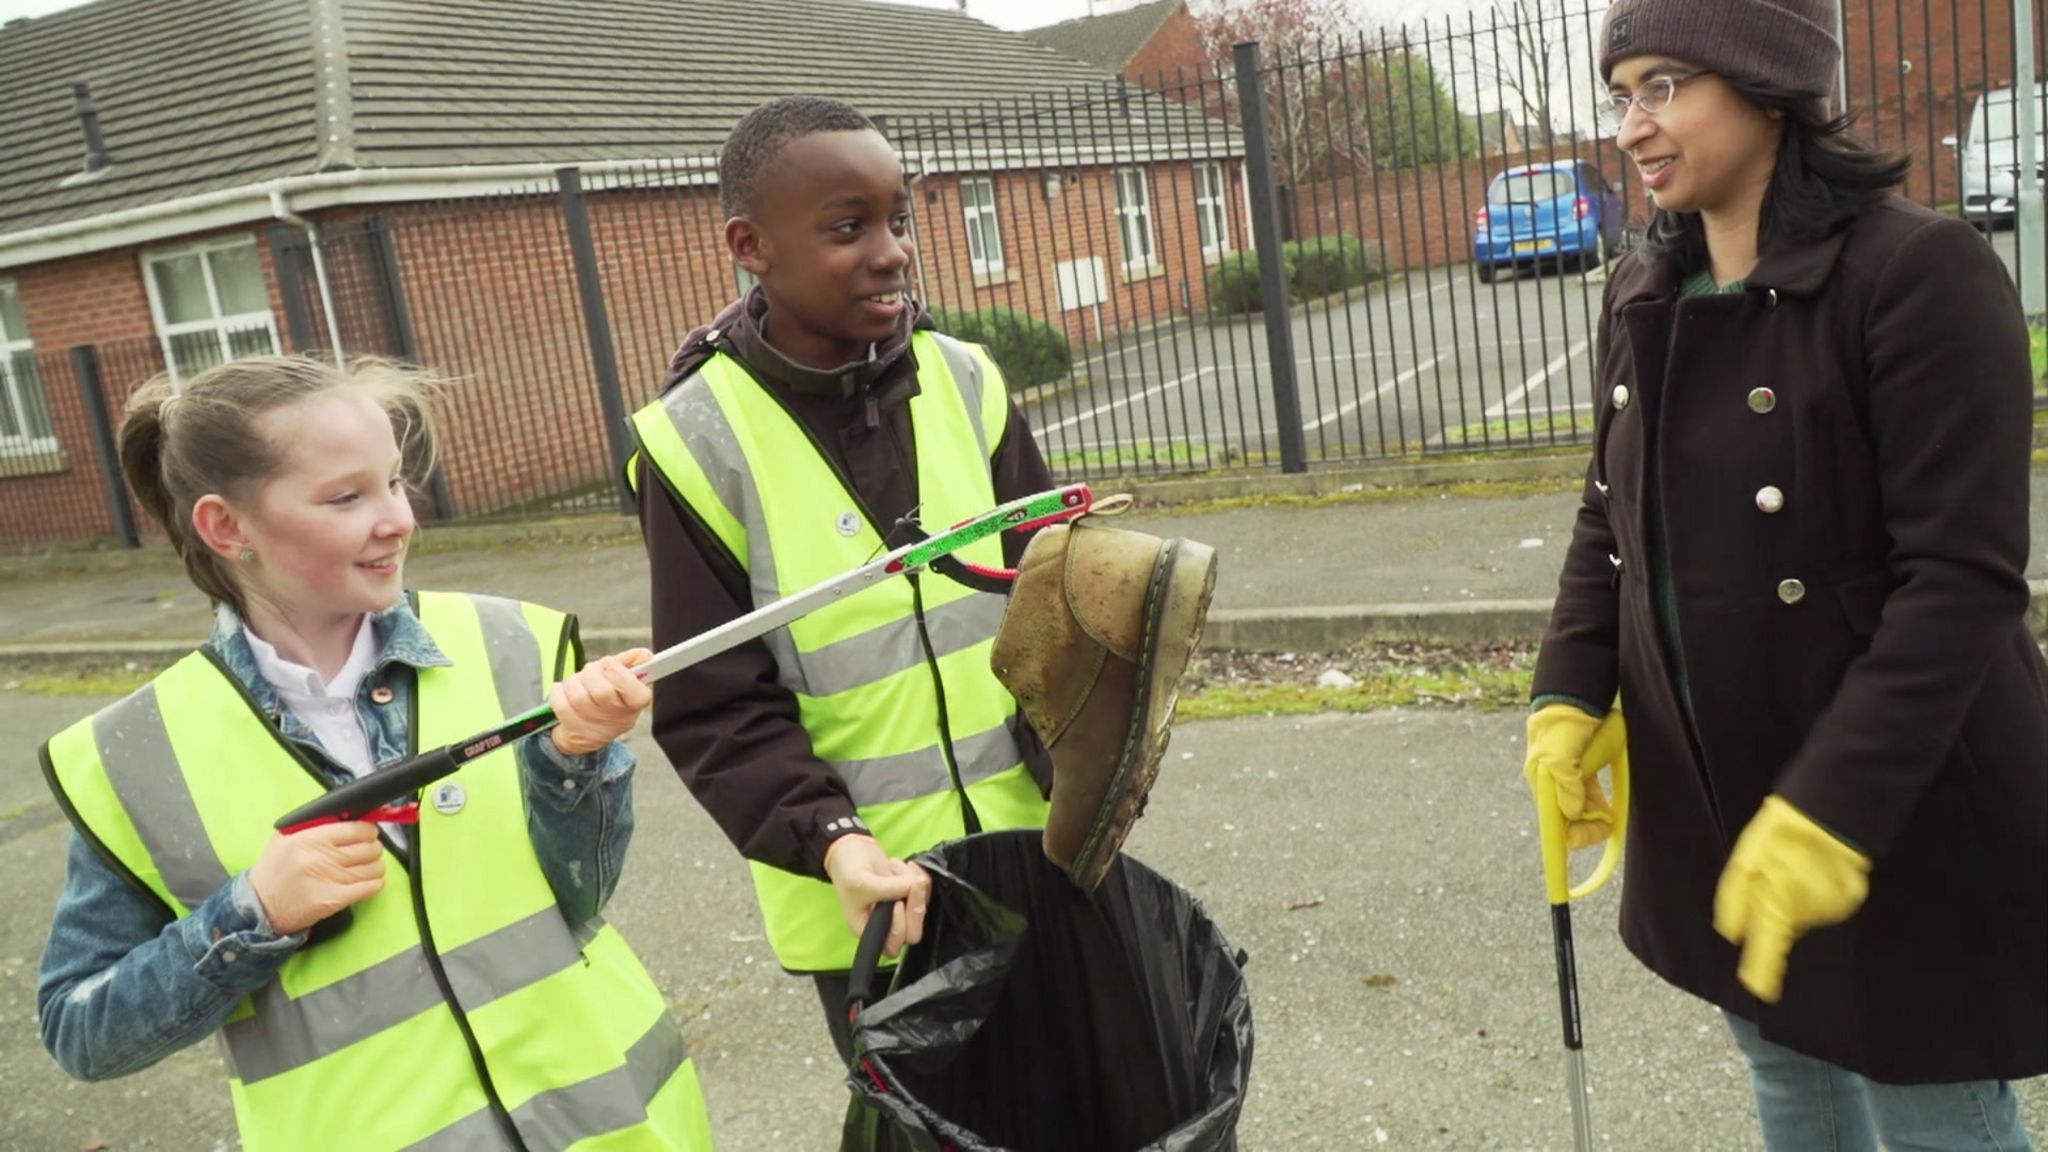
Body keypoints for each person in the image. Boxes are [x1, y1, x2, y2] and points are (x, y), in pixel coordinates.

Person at [1525, 0, 2047, 1146]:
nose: (1629, 127)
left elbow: (1958, 583)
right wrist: (1565, 699)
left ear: (1766, 88)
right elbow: (1605, 520)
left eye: (1661, 86)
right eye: (1621, 94)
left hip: (1894, 808)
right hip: (1718, 794)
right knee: (1787, 1093)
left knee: (1932, 1117)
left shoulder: (1918, 275)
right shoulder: (1642, 289)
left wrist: (1828, 812)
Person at [37, 356, 715, 1151]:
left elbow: (582, 898)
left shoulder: (509, 641)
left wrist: (576, 758)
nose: (399, 518)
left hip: (619, 1128)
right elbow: (82, 1031)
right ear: (227, 527)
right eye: (347, 496)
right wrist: (251, 915)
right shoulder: (133, 754)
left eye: (394, 482)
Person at [624, 94, 1060, 1067]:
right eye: (845, 227)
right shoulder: (695, 445)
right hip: (873, 910)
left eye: (898, 219)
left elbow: (1055, 602)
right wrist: (831, 843)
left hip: (1036, 868)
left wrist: (1099, 745)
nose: (891, 250)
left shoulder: (966, 380)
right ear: (751, 245)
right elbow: (713, 707)